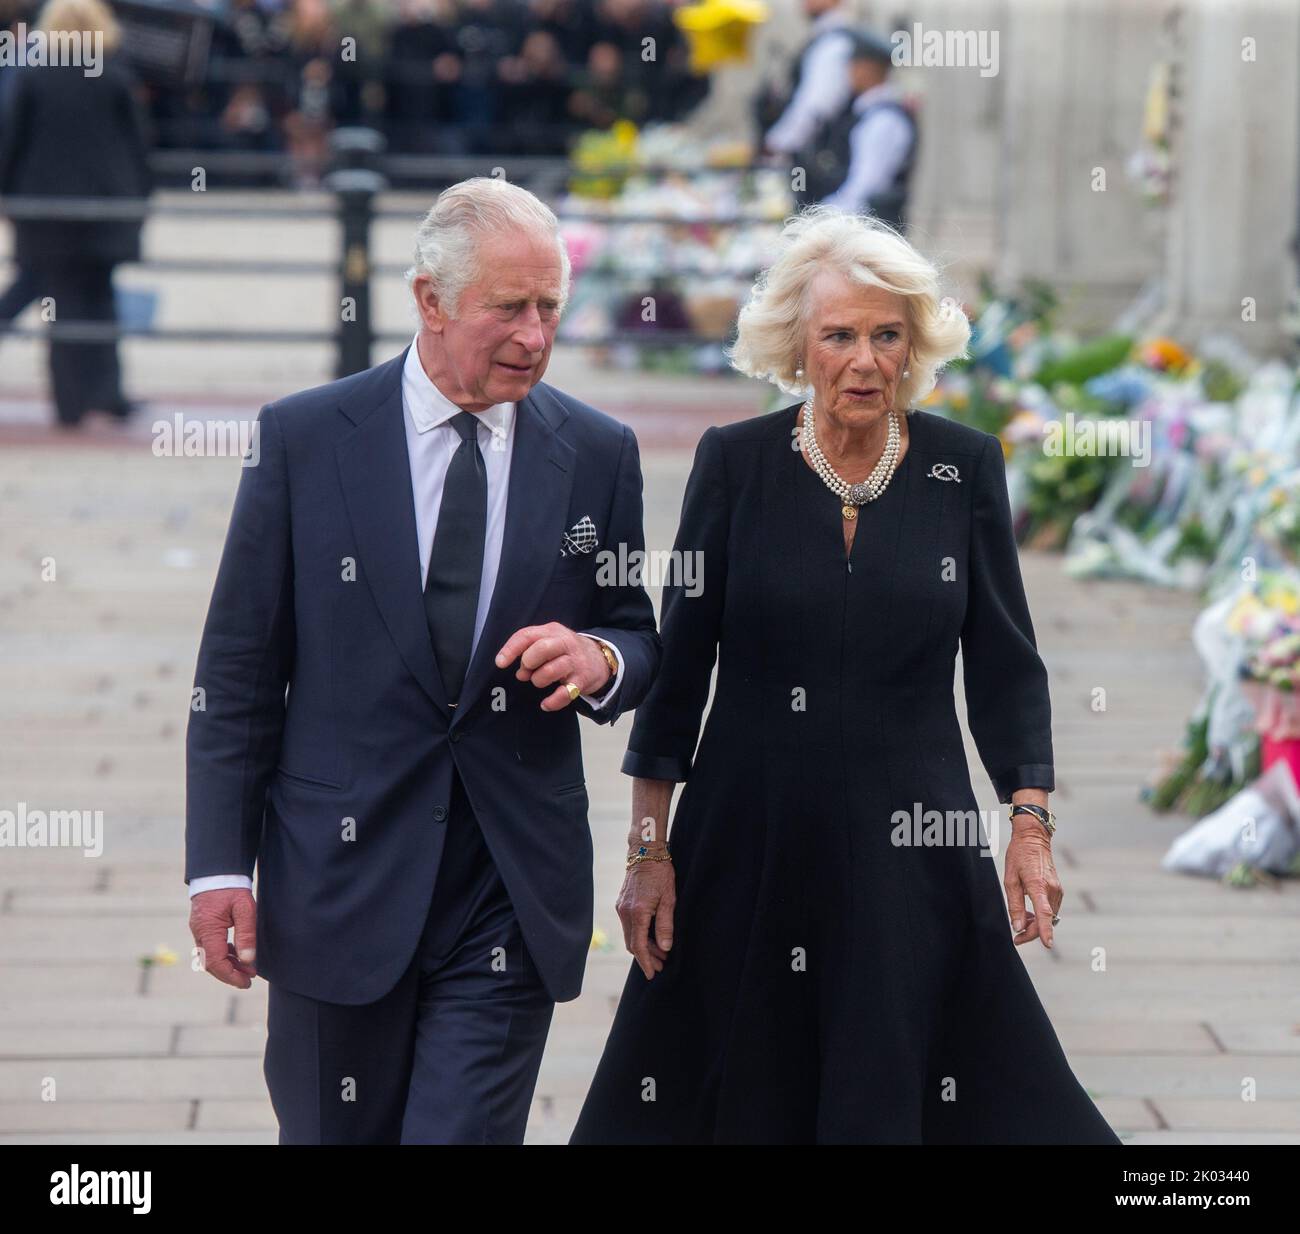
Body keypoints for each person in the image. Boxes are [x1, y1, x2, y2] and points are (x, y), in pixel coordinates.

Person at [571, 206, 1123, 1144]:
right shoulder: (734, 466)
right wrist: (647, 852)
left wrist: (1028, 824)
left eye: (886, 335)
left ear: (914, 344)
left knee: (942, 1078)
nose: (865, 360)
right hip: (749, 836)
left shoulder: (964, 467)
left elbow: (1005, 666)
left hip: (913, 840)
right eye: (839, 336)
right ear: (798, 344)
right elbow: (679, 673)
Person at [185, 177, 661, 1144]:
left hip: (508, 889)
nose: (535, 336)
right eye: (509, 309)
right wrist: (215, 870)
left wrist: (601, 657)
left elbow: (637, 629)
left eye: (550, 310)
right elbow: (237, 671)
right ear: (430, 300)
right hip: (339, 883)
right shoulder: (305, 439)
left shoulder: (599, 452)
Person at [0, 0, 152, 427]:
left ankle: (70, 403)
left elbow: (12, 141)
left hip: (46, 212)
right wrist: (140, 200)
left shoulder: (33, 77)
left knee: (59, 305)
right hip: (105, 211)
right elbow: (138, 146)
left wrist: (8, 195)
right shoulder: (115, 76)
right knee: (100, 300)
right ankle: (107, 394)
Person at [806, 30, 918, 232]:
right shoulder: (868, 113)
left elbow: (864, 189)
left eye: (852, 65)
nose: (847, 72)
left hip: (870, 235)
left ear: (866, 68)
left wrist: (816, 220)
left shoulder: (883, 119)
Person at [759, 0, 855, 160]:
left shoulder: (834, 42)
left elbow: (818, 103)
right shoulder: (824, 37)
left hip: (817, 153)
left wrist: (778, 144)